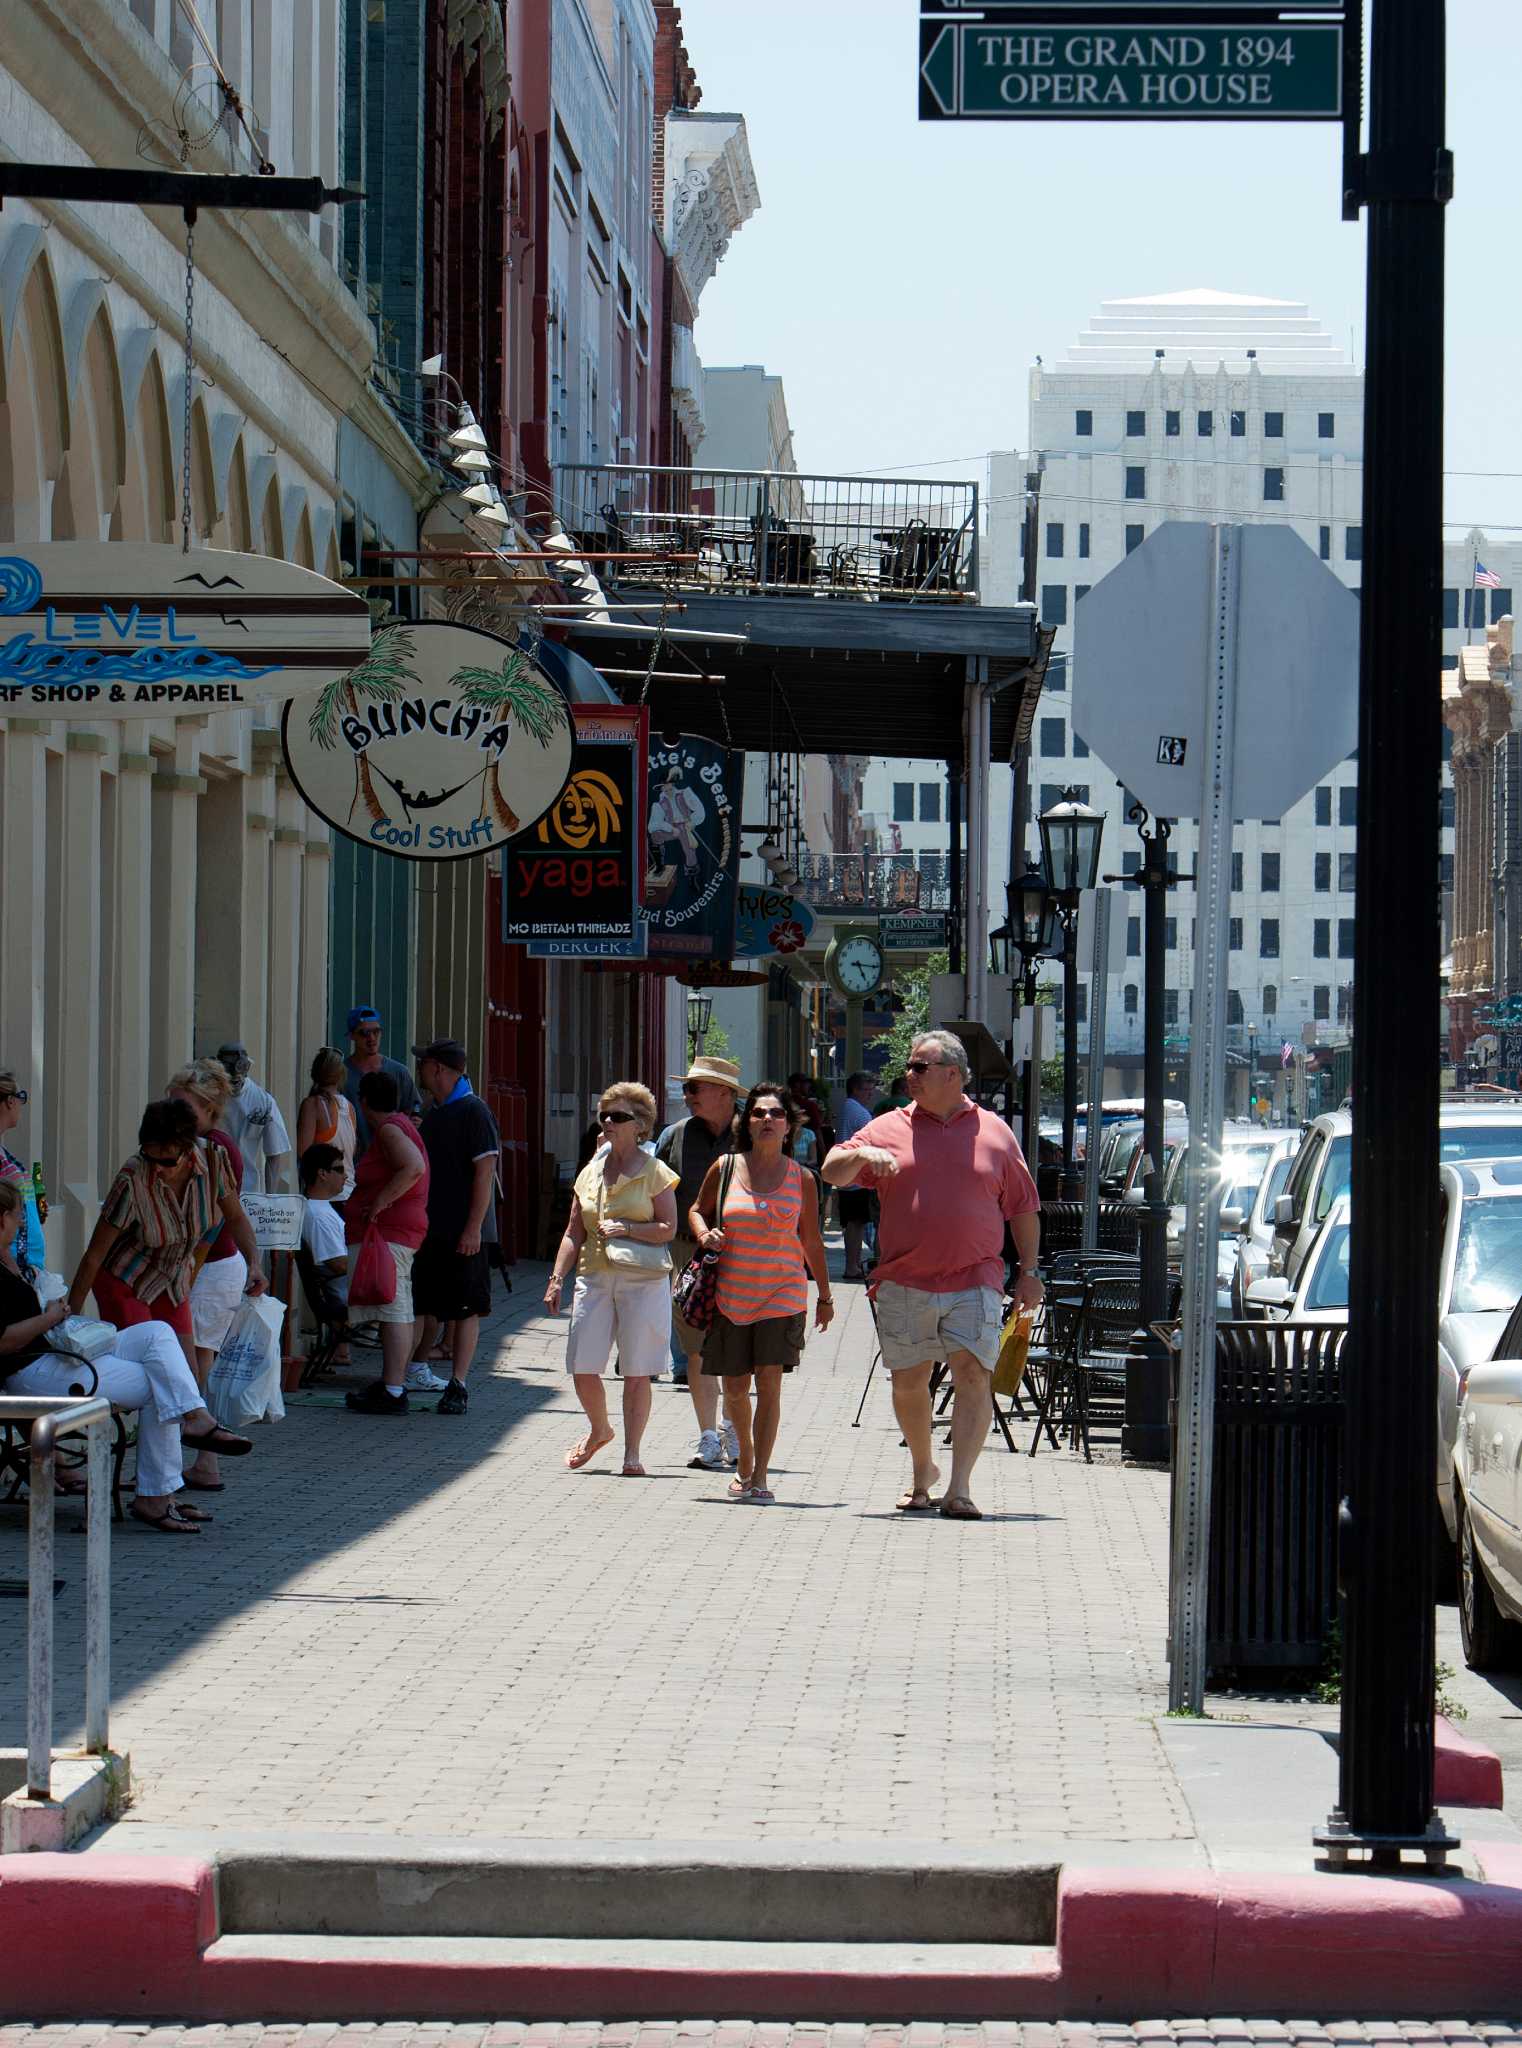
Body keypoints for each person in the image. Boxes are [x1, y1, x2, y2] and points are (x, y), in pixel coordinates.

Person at [822, 1029, 1042, 1523]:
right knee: (909, 1381)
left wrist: (1029, 1271)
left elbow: (1024, 1207)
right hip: (904, 1278)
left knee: (973, 1375)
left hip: (976, 1278)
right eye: (909, 1066)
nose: (909, 1075)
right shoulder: (888, 1126)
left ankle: (960, 1488)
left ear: (952, 1075)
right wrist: (859, 1156)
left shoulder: (995, 1132)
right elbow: (831, 1171)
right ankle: (924, 1471)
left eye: (920, 1067)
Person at [0, 1182, 253, 1535]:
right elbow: (5, 1342)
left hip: (55, 1354)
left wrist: (48, 1303)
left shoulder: (9, 1259)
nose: (21, 1223)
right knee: (159, 1384)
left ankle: (194, 1420)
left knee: (158, 1334)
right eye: (15, 1216)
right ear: (1, 1220)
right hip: (32, 1370)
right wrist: (50, 1317)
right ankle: (158, 1495)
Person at [689, 1082, 833, 1505]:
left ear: (789, 1126)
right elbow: (697, 1210)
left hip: (782, 1295)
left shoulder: (802, 1178)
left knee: (769, 1382)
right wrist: (704, 1233)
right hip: (731, 1295)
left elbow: (812, 1241)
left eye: (776, 1114)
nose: (767, 1120)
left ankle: (762, 1475)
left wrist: (824, 1296)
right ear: (746, 1122)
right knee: (735, 1389)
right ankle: (745, 1462)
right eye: (759, 1113)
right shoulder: (726, 1168)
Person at [547, 1083, 676, 1475]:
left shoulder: (656, 1172)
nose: (608, 1122)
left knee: (637, 1370)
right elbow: (574, 1230)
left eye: (618, 1116)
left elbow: (668, 1227)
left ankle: (632, 1454)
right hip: (594, 1276)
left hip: (643, 1278)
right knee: (583, 1365)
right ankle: (600, 1429)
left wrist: (628, 1229)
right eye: (604, 1115)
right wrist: (556, 1278)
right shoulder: (590, 1172)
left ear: (640, 1125)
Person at [166, 1059, 255, 1493]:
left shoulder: (217, 1148)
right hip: (203, 1268)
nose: (174, 1113)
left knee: (193, 1368)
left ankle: (201, 1460)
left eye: (183, 1106)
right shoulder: (192, 1143)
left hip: (211, 1269)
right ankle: (202, 1463)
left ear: (208, 1108)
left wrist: (186, 1272)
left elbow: (218, 1221)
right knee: (191, 1367)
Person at [654, 1054, 742, 1468]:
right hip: (688, 1252)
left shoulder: (754, 1133)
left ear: (724, 1093)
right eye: (686, 1088)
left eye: (694, 1088)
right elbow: (656, 1194)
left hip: (745, 1254)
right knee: (696, 1348)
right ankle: (708, 1437)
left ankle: (733, 1429)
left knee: (737, 1346)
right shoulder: (674, 1136)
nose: (686, 1096)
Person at [408, 1037, 501, 1416]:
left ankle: (458, 1384)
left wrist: (473, 1229)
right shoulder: (435, 1110)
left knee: (466, 1308)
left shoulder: (474, 1112)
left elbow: (484, 1172)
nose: (420, 1072)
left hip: (463, 1230)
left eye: (423, 1065)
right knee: (422, 1303)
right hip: (429, 1228)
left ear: (438, 1070)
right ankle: (403, 1376)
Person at [343, 1070, 430, 1414]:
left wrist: (380, 1201)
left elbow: (413, 1167)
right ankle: (393, 1383)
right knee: (400, 1308)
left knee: (393, 1309)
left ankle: (393, 1390)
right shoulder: (400, 1124)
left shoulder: (390, 1129)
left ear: (363, 1102)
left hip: (390, 1232)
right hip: (400, 1232)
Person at [215, 1041, 292, 1193]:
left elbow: (274, 1153)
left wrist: (270, 1198)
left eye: (236, 1080)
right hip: (212, 1185)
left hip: (247, 1189)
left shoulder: (263, 1101)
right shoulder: (208, 1095)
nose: (233, 1085)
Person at [343, 1006, 422, 1153]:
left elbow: (414, 1109)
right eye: (364, 1033)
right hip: (354, 1163)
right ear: (351, 1036)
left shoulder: (399, 1072)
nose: (372, 1038)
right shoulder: (341, 1075)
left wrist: (414, 1121)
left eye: (376, 1031)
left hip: (392, 1159)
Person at [299, 1142, 351, 1359]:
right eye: (339, 1170)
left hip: (342, 1290)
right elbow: (337, 1263)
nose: (345, 1176)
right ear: (322, 1173)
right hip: (345, 1294)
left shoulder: (319, 1208)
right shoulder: (318, 1215)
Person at [295, 1048, 357, 1198]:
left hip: (325, 1195)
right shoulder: (350, 1107)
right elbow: (352, 1152)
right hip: (349, 1191)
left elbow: (304, 1154)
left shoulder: (313, 1104)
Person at [837, 1071, 880, 1280]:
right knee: (856, 1223)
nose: (870, 1094)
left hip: (849, 1175)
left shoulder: (848, 1107)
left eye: (872, 1089)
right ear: (855, 1089)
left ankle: (852, 1264)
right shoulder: (858, 1111)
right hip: (856, 1178)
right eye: (867, 1089)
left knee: (854, 1224)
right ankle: (852, 1265)